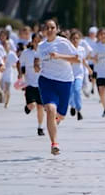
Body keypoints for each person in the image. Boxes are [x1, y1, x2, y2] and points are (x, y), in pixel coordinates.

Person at [35, 19, 82, 155]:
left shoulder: (63, 43)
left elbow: (77, 59)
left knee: (60, 115)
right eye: (47, 28)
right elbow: (37, 59)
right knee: (50, 109)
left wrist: (59, 56)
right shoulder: (41, 46)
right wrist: (36, 65)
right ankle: (54, 143)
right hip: (46, 81)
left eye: (52, 27)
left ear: (57, 29)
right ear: (44, 30)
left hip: (64, 81)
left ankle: (53, 123)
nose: (50, 30)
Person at [17, 32, 45, 135]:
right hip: (29, 83)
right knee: (32, 105)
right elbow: (19, 63)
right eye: (35, 41)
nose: (37, 43)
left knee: (40, 107)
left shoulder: (44, 52)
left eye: (39, 41)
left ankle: (40, 127)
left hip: (41, 84)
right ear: (32, 42)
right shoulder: (26, 53)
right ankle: (28, 107)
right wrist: (20, 74)